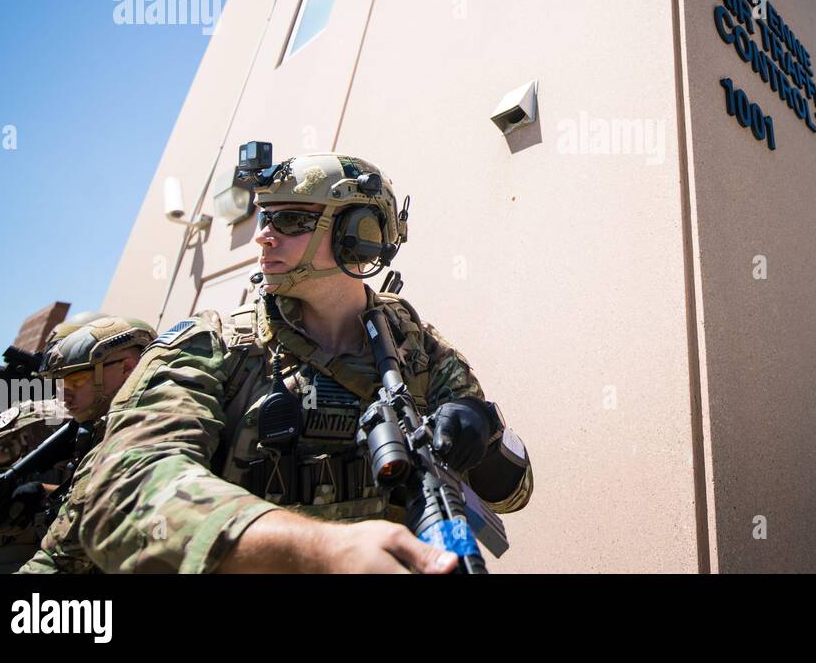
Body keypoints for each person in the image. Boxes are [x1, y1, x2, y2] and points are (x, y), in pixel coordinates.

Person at [61, 151, 533, 573]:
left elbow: (513, 493)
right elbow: (124, 490)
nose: (264, 237)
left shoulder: (422, 352)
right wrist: (319, 551)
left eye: (289, 221)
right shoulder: (212, 346)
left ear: (358, 235)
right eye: (264, 218)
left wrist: (483, 432)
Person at [0, 313, 153, 573]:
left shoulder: (62, 416)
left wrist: (41, 495)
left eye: (75, 376)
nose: (64, 392)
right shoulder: (82, 420)